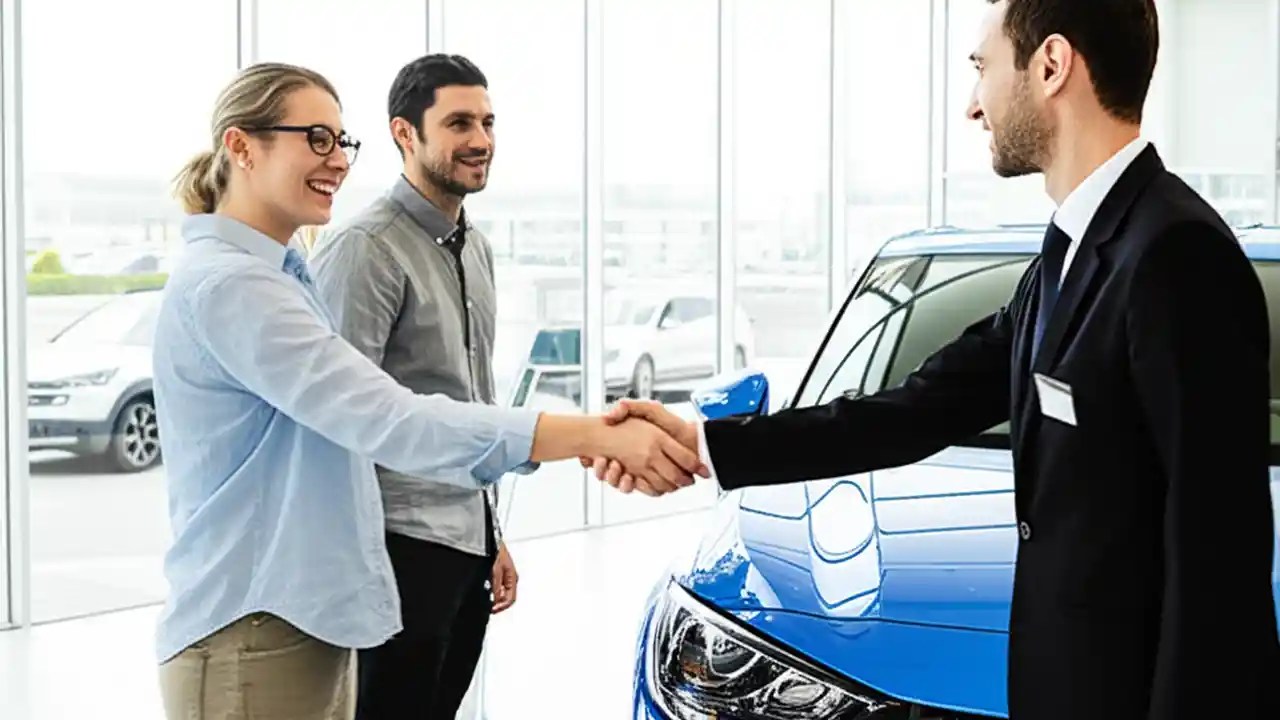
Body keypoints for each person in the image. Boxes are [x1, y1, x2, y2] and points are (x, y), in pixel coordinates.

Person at [590, 1, 1280, 718]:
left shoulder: (1175, 253)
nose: (973, 105)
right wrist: (701, 444)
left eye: (983, 67)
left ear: (1050, 65)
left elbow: (1219, 556)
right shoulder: (1070, 255)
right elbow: (916, 409)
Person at [155, 61, 702, 720]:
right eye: (316, 139)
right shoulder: (238, 286)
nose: (338, 160)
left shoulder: (276, 275)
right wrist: (591, 434)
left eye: (340, 141)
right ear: (242, 147)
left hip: (299, 613)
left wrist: (485, 529)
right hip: (257, 620)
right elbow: (389, 418)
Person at [309, 54, 512, 719]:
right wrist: (357, 569)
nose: (480, 140)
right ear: (404, 133)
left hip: (464, 544)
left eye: (487, 122)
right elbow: (336, 420)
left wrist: (492, 533)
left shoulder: (475, 247)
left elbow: (472, 402)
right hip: (396, 551)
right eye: (458, 123)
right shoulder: (365, 249)